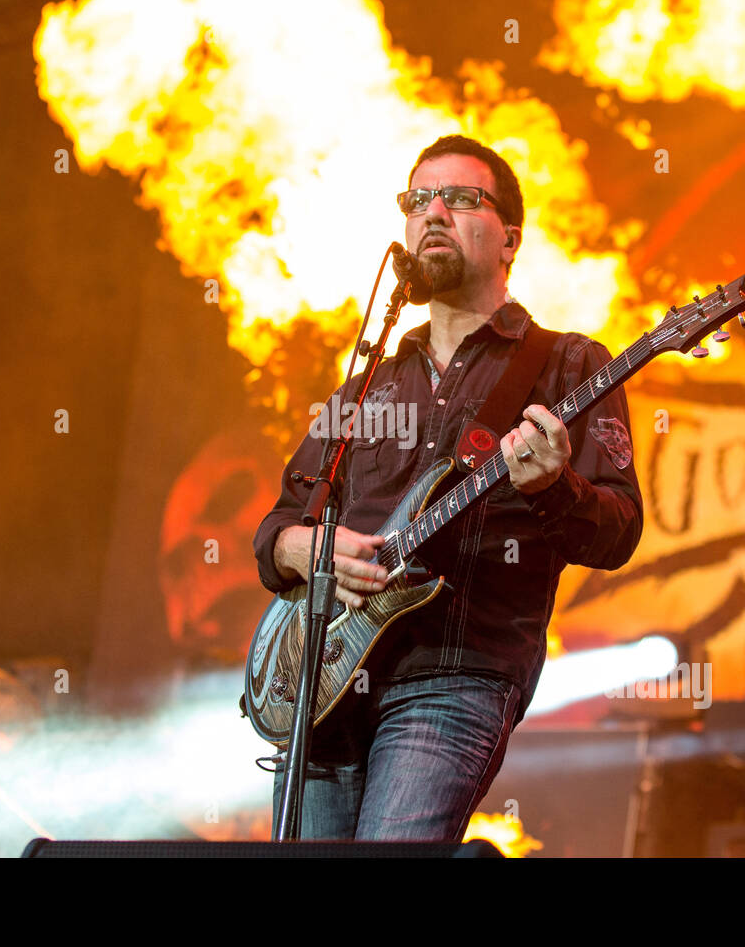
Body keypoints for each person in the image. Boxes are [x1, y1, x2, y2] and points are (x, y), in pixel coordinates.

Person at [251, 134, 643, 841]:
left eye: (462, 199)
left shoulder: (566, 364)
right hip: (322, 681)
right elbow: (278, 526)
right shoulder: (368, 382)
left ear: (510, 239)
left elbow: (618, 530)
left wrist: (554, 487)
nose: (434, 212)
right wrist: (307, 547)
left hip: (455, 675)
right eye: (418, 199)